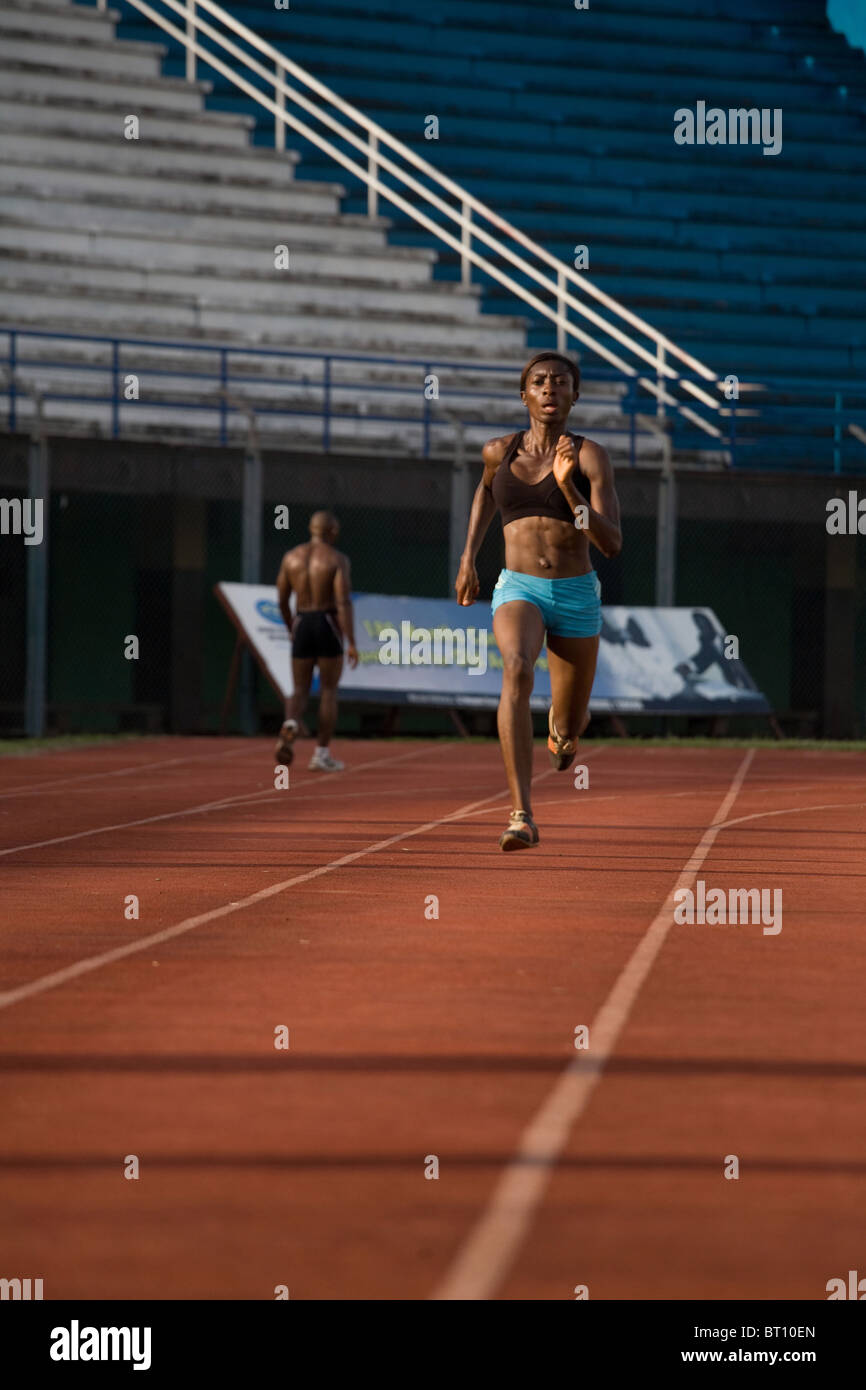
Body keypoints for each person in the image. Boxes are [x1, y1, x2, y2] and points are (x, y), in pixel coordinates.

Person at [455, 352, 622, 850]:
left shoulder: (591, 457)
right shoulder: (498, 452)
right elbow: (485, 494)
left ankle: (564, 730)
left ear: (576, 395)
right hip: (518, 586)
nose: (550, 389)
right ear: (523, 393)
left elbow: (611, 543)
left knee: (568, 736)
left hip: (574, 593)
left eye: (562, 382)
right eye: (540, 382)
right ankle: (521, 814)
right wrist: (468, 557)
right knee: (516, 669)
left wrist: (569, 486)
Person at [274, 510, 358, 772]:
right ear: (332, 531)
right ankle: (321, 754)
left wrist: (291, 626)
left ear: (311, 529)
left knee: (299, 688)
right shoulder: (336, 559)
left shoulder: (291, 557)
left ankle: (290, 723)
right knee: (328, 691)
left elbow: (281, 599)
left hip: (302, 621)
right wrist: (351, 641)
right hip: (327, 622)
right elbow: (342, 601)